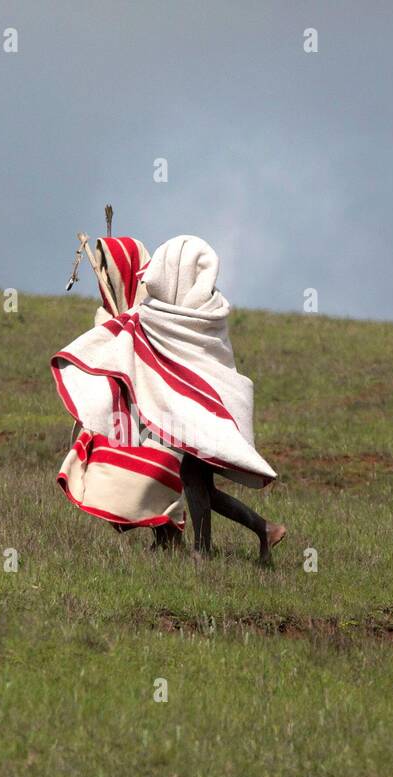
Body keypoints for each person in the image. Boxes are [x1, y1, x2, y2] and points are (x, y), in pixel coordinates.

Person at [52, 235, 285, 563]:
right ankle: (260, 531)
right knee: (197, 482)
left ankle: (219, 545)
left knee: (193, 479)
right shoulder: (191, 311)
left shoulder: (189, 315)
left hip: (198, 414)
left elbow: (197, 364)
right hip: (193, 414)